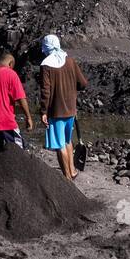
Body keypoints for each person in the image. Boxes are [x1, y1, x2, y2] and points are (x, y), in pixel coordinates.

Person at [39, 33, 87, 181]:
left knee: (60, 144)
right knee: (67, 141)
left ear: (46, 48)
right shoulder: (70, 61)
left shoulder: (46, 65)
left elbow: (45, 91)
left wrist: (43, 111)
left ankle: (66, 178)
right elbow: (83, 84)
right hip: (71, 109)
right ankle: (72, 170)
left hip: (56, 111)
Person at [0, 51, 33, 160]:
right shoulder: (11, 74)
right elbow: (20, 98)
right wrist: (28, 117)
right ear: (11, 64)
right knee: (17, 150)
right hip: (5, 120)